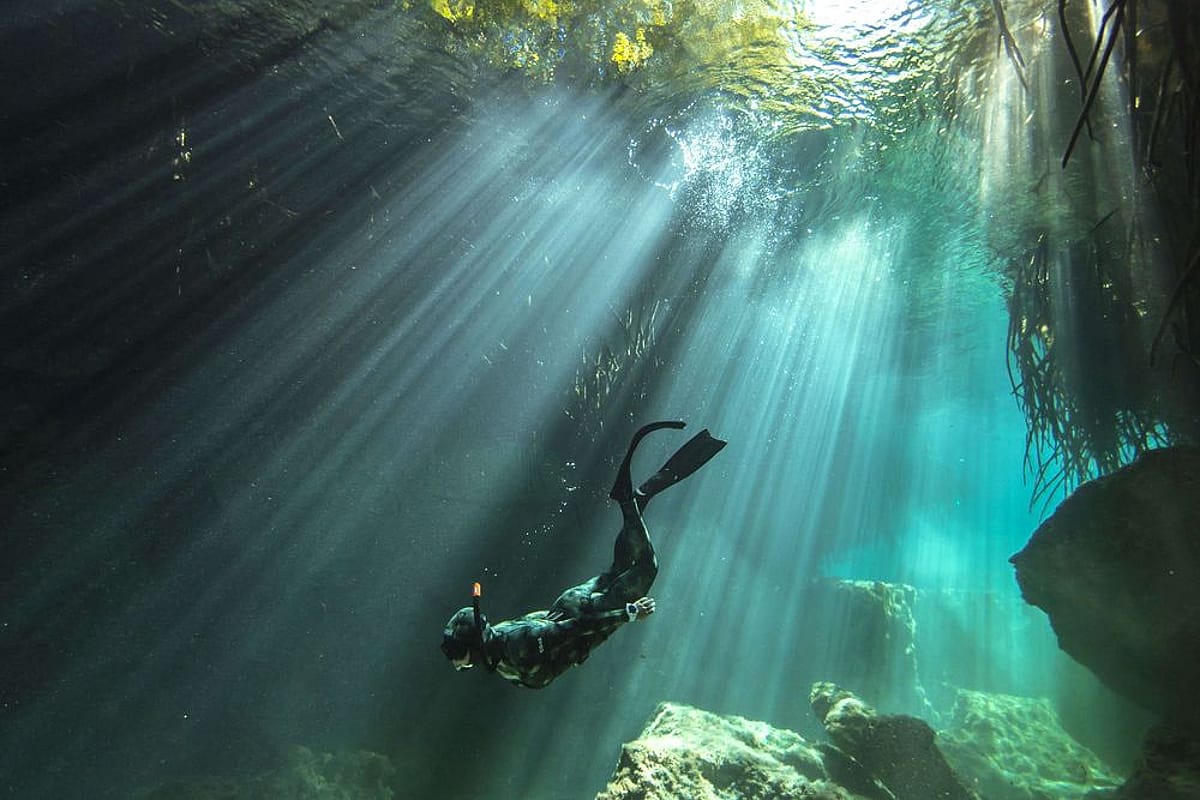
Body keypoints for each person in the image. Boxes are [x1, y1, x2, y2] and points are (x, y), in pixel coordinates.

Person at [439, 421, 726, 688]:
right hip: (570, 603)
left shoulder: (516, 647)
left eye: (458, 656)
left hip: (589, 614)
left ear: (474, 646)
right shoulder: (500, 645)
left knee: (647, 567)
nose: (456, 663)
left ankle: (628, 502)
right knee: (622, 564)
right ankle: (638, 499)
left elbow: (572, 629)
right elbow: (544, 622)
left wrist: (627, 614)